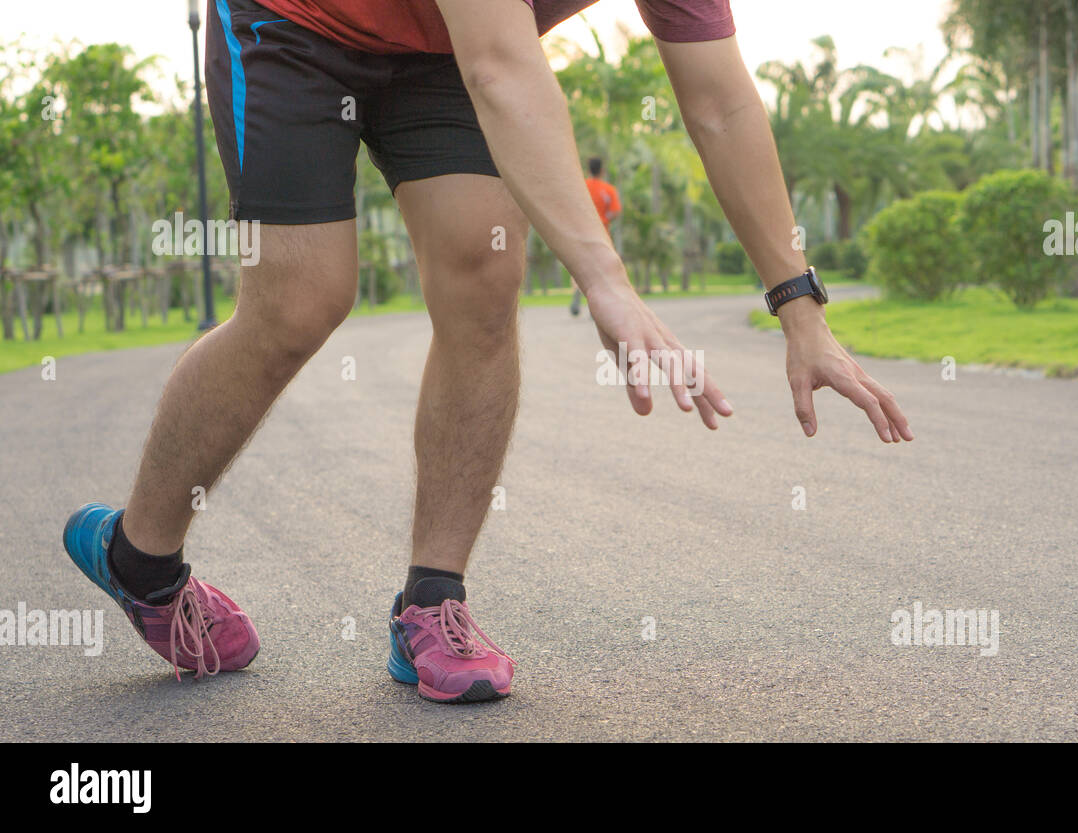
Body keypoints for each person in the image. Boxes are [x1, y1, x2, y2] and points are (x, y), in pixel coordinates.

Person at [62, 0, 913, 704]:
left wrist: (800, 309)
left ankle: (432, 600)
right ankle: (141, 559)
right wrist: (606, 284)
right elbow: (502, 68)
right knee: (300, 299)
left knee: (483, 272)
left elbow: (721, 103)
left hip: (446, 46)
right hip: (298, 24)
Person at [570, 156, 621, 316]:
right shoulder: (608, 189)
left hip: (582, 233)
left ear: (588, 169)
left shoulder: (581, 187)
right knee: (600, 271)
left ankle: (577, 295)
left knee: (579, 268)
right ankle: (596, 307)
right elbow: (615, 211)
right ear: (602, 170)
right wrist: (604, 218)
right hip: (602, 234)